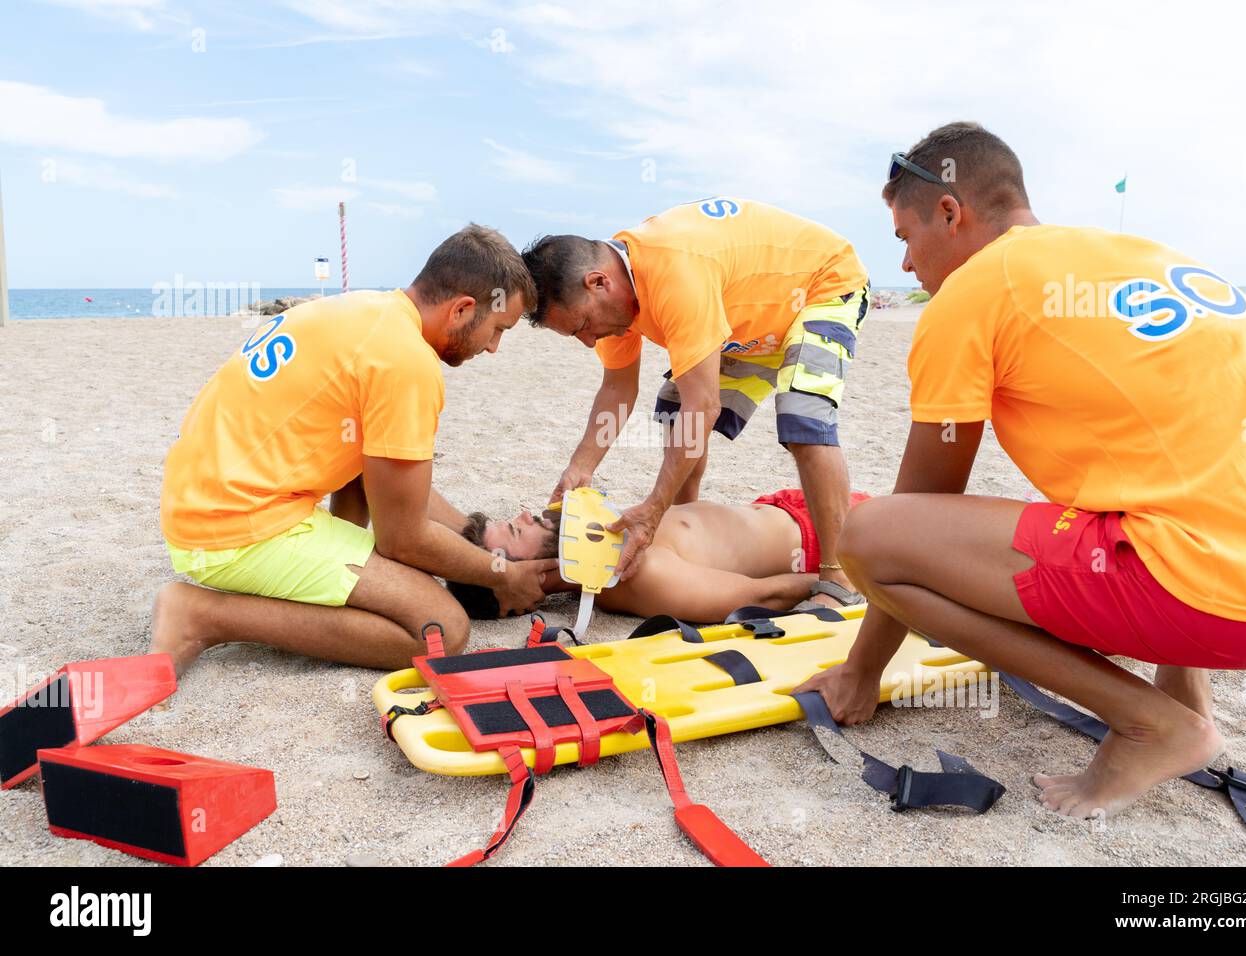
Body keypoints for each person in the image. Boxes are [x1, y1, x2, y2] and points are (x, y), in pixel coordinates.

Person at [796, 122, 1246, 821]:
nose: (907, 266)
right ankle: (1182, 699)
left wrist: (861, 674)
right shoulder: (1143, 256)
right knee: (1157, 482)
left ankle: (1150, 722)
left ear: (951, 211)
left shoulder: (975, 290)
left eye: (905, 238)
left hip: (1212, 602)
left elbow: (914, 513)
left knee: (867, 535)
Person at [150, 225, 555, 674]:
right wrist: (504, 575)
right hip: (234, 529)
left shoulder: (367, 311)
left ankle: (296, 584)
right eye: (498, 328)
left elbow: (371, 475)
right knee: (440, 630)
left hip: (200, 501)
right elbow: (404, 539)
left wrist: (464, 539)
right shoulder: (406, 362)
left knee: (397, 567)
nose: (494, 347)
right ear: (462, 309)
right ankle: (202, 615)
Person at [522, 199, 870, 608]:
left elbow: (703, 407)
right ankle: (693, 532)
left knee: (802, 415)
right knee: (673, 411)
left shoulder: (672, 271)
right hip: (749, 320)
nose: (587, 340)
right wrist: (580, 468)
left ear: (599, 283)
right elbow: (617, 389)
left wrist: (653, 508)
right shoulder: (617, 293)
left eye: (582, 326)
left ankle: (838, 578)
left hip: (822, 285)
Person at [445, 488, 871, 622]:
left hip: (783, 505)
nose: (524, 513)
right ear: (523, 581)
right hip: (825, 535)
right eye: (516, 529)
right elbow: (763, 597)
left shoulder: (592, 537)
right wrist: (847, 579)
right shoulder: (629, 577)